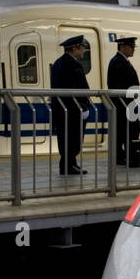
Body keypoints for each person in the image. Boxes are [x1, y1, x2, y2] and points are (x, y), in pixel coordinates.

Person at [49, 36, 89, 175]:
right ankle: (68, 165)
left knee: (66, 138)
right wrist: (83, 107)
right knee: (72, 138)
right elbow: (79, 89)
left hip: (63, 109)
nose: (84, 50)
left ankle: (70, 164)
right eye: (82, 47)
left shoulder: (59, 63)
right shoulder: (72, 65)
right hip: (72, 110)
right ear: (74, 48)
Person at [106, 36, 140, 165]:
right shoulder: (117, 62)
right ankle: (122, 157)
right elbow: (119, 85)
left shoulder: (122, 61)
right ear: (122, 46)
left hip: (127, 104)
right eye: (131, 47)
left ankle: (124, 156)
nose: (133, 49)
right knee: (124, 132)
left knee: (127, 131)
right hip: (124, 105)